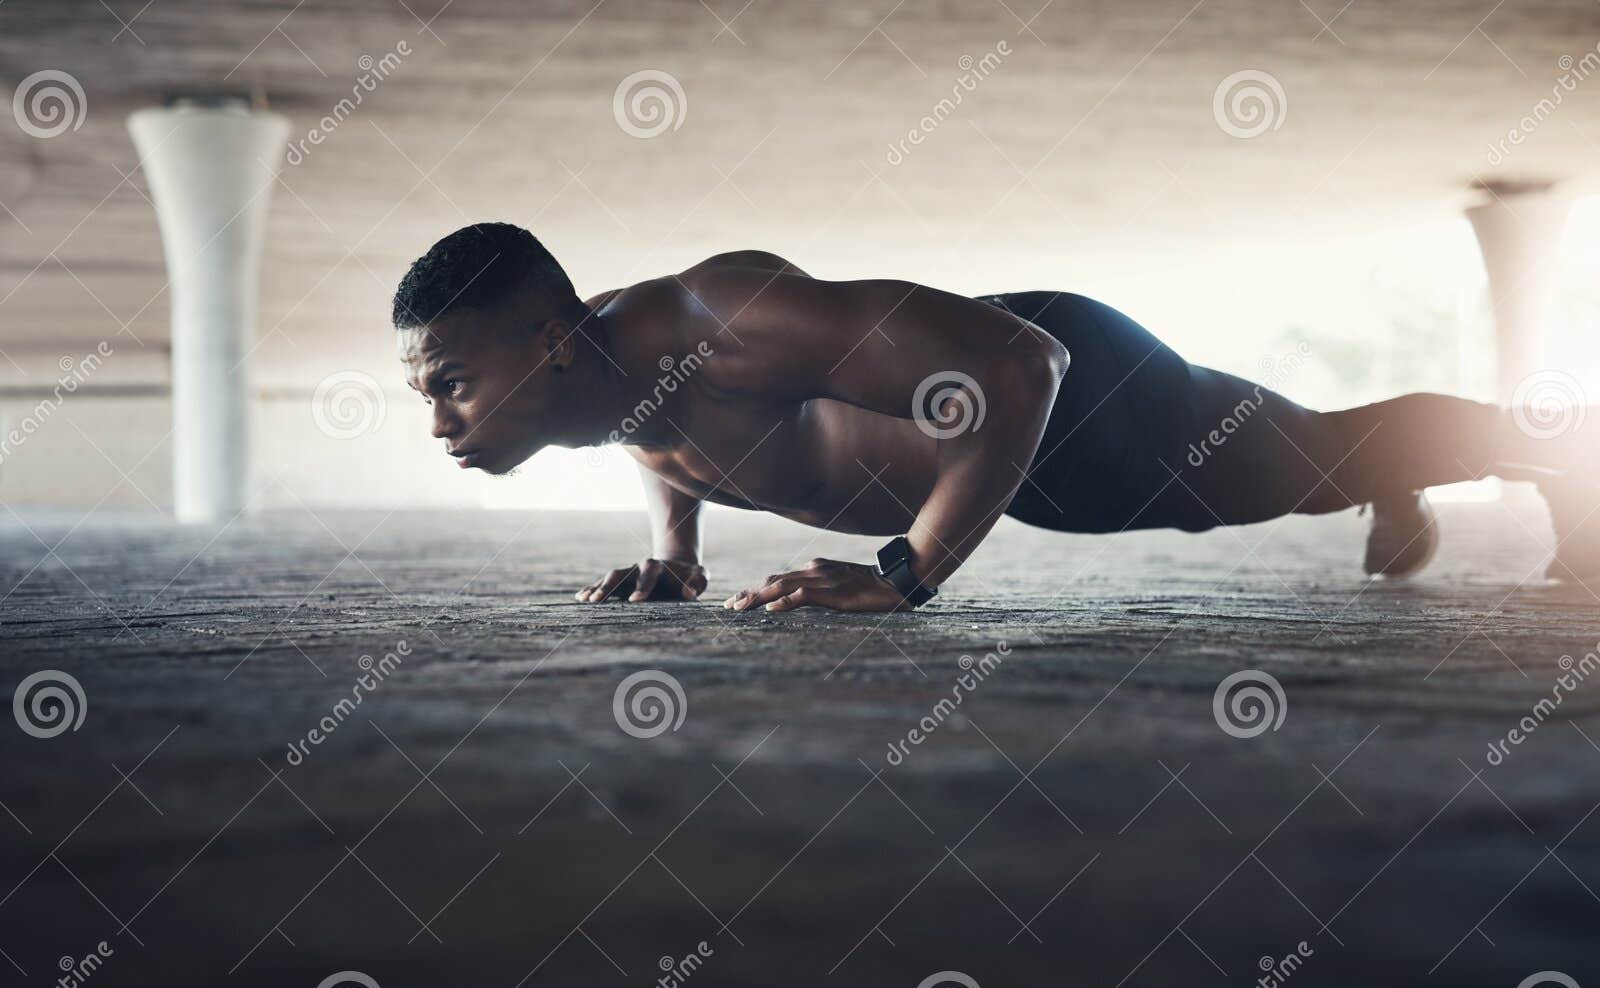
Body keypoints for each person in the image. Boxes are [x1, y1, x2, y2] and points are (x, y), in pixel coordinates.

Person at [393, 223, 1595, 612]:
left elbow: (1020, 366)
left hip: (1065, 398)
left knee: (1317, 456)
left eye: (451, 381)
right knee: (1308, 467)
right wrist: (675, 556)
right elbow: (655, 437)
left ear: (547, 345)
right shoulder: (602, 381)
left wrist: (904, 576)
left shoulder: (710, 315)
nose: (441, 420)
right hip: (1009, 476)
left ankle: (1557, 450)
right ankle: (1390, 477)